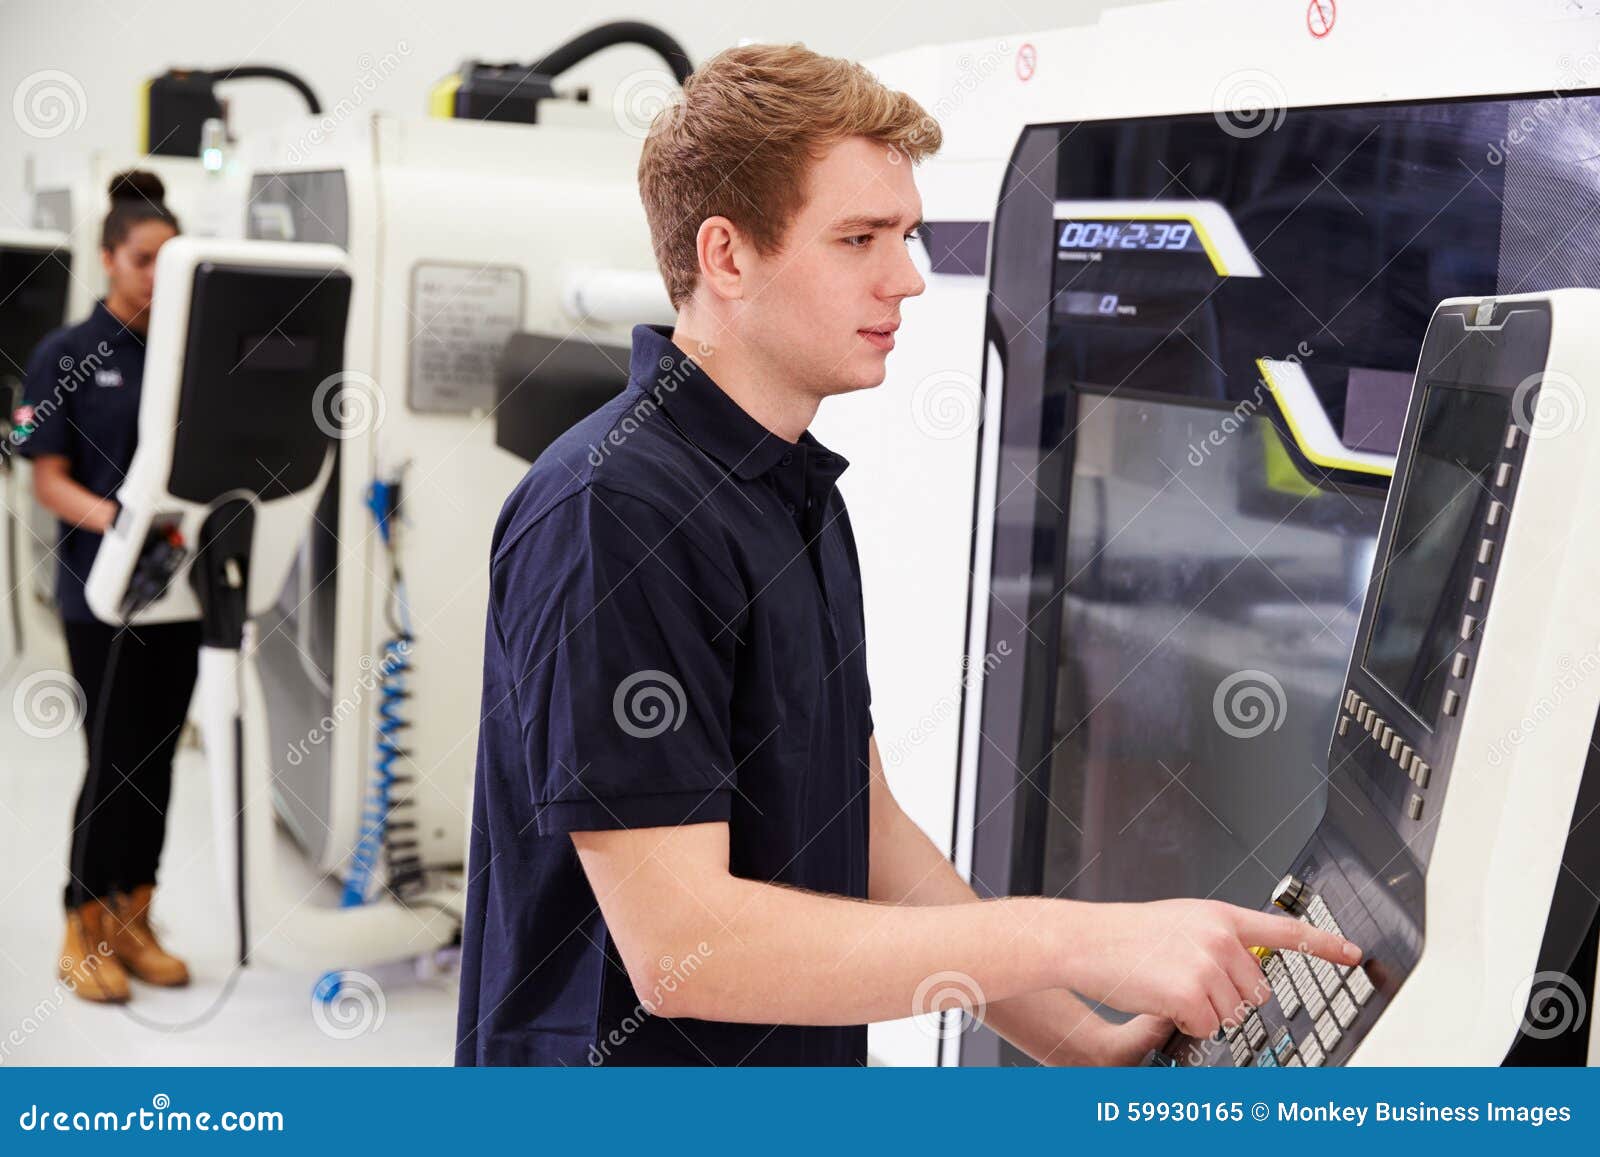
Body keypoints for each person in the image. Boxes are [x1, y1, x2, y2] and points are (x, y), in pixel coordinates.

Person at [455, 44, 1362, 1066]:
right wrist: (1086, 935)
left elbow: (866, 818)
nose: (910, 277)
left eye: (907, 233)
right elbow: (679, 948)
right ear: (726, 256)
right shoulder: (611, 511)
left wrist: (1077, 1037)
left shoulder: (790, 487)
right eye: (859, 238)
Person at [18, 170, 197, 1003]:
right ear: (107, 259)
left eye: (172, 260)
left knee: (158, 758)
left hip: (176, 589)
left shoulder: (186, 352)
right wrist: (116, 521)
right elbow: (45, 477)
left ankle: (136, 913)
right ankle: (80, 922)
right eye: (143, 260)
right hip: (99, 589)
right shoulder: (64, 354)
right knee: (113, 756)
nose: (157, 276)